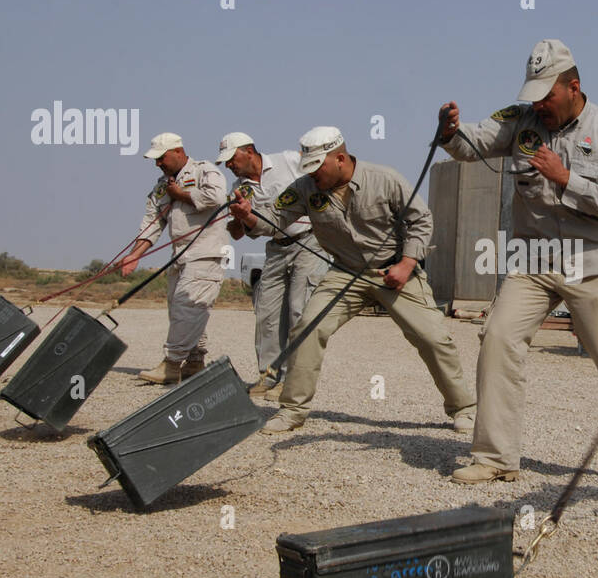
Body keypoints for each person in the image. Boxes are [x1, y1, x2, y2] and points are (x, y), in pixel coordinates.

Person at [436, 39, 598, 488]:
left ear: (574, 87)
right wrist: (449, 132)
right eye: (534, 95)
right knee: (499, 338)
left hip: (593, 260)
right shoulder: (521, 121)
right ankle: (495, 457)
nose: (539, 104)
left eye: (547, 95)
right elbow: (472, 144)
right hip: (533, 258)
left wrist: (567, 179)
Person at [229, 126, 477, 435]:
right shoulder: (305, 187)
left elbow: (420, 220)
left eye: (317, 167)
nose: (311, 175)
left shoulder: (385, 179)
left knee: (433, 337)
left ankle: (463, 409)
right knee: (306, 329)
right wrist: (247, 216)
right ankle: (292, 410)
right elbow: (274, 220)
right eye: (307, 168)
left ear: (341, 159)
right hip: (344, 272)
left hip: (394, 272)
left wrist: (407, 264)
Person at [218, 131, 329, 400]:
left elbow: (320, 178)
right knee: (266, 313)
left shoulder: (289, 160)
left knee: (298, 310)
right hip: (276, 249)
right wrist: (240, 216)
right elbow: (236, 233)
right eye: (225, 162)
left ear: (249, 151)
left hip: (309, 241)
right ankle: (268, 376)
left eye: (231, 158)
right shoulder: (238, 190)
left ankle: (293, 379)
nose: (229, 165)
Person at [117, 132, 230, 385]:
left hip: (206, 253)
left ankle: (171, 365)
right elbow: (152, 223)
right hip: (179, 255)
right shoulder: (162, 185)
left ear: (178, 152)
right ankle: (193, 361)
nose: (158, 163)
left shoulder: (205, 171)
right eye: (155, 160)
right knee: (181, 309)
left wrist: (181, 195)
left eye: (162, 158)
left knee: (187, 309)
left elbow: (217, 198)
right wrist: (134, 256)